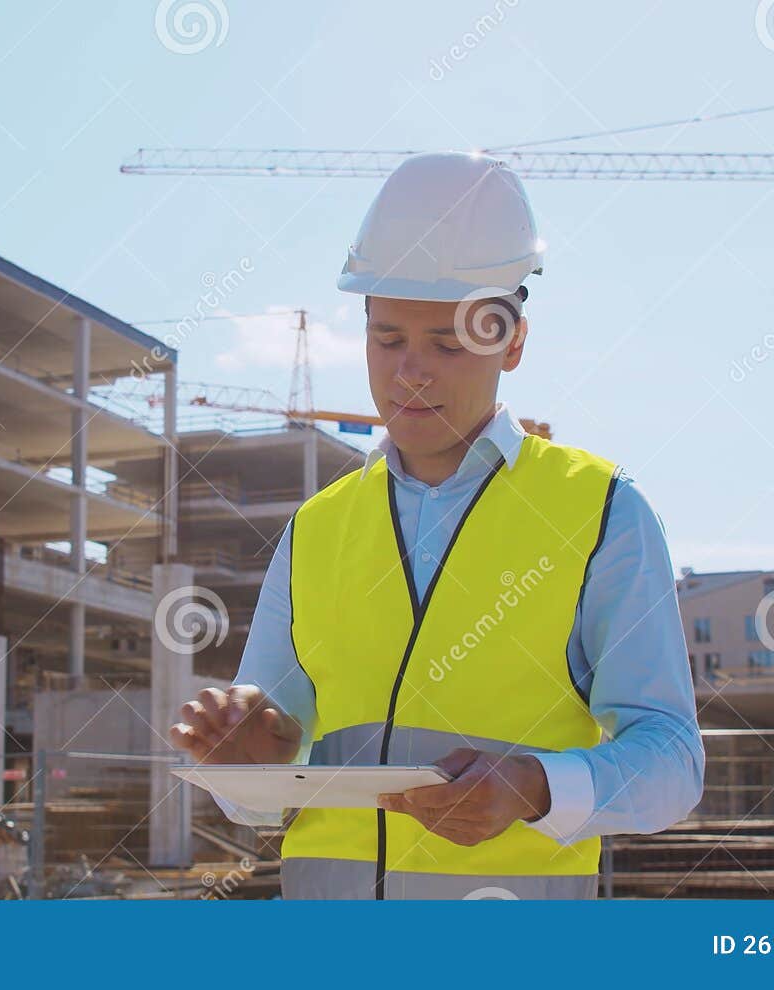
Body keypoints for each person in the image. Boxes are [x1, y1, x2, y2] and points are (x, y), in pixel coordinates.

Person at [168, 152, 703, 899]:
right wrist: (247, 764)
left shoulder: (601, 511)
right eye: (388, 340)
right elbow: (267, 788)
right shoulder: (318, 528)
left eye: (446, 346)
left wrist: (536, 787)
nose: (409, 372)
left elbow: (673, 760)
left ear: (512, 342)